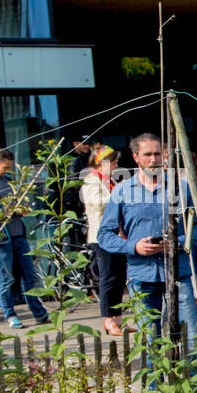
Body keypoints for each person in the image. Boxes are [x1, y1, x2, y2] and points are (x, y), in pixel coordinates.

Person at [97, 133, 197, 355]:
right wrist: (133, 246)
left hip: (178, 273)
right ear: (136, 157)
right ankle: (154, 390)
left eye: (157, 153)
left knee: (192, 338)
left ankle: (196, 386)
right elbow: (104, 235)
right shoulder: (123, 192)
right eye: (147, 154)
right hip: (142, 276)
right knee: (151, 342)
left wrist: (177, 242)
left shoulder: (180, 188)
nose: (154, 159)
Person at [0, 148, 50, 329]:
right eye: (5, 167)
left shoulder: (8, 180)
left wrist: (22, 209)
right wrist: (7, 210)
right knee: (6, 278)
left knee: (30, 276)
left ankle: (39, 313)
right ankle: (10, 315)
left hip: (19, 234)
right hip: (1, 237)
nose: (7, 171)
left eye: (10, 168)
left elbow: (16, 203)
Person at [80, 144, 130, 336]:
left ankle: (118, 319)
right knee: (108, 278)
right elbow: (97, 203)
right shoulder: (91, 180)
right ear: (102, 162)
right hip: (101, 237)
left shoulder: (109, 181)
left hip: (116, 236)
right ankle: (108, 320)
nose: (117, 164)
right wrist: (119, 196)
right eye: (114, 161)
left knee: (119, 278)